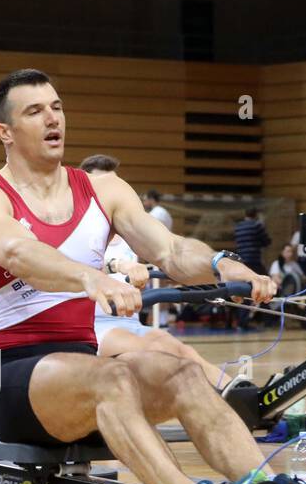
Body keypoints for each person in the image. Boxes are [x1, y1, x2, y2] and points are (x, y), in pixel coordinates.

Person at [0, 70, 306, 484]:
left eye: (57, 106)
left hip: (83, 373)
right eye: (35, 111)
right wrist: (90, 279)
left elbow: (172, 251)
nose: (53, 118)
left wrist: (222, 264)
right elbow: (16, 251)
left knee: (180, 370)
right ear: (4, 132)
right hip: (9, 379)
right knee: (113, 377)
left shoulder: (102, 188)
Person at [78, 155, 247, 394]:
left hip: (129, 322)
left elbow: (173, 256)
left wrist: (221, 277)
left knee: (183, 351)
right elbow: (83, 267)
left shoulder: (130, 231)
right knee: (156, 349)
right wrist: (120, 266)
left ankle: (242, 395)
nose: (111, 192)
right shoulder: (79, 231)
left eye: (115, 184)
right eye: (103, 185)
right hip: (94, 328)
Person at [232, 208, 272, 330]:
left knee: (245, 290)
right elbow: (266, 241)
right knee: (266, 286)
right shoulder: (256, 225)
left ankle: (242, 322)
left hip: (242, 262)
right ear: (255, 215)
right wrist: (262, 224)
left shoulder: (238, 227)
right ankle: (268, 319)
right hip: (254, 261)